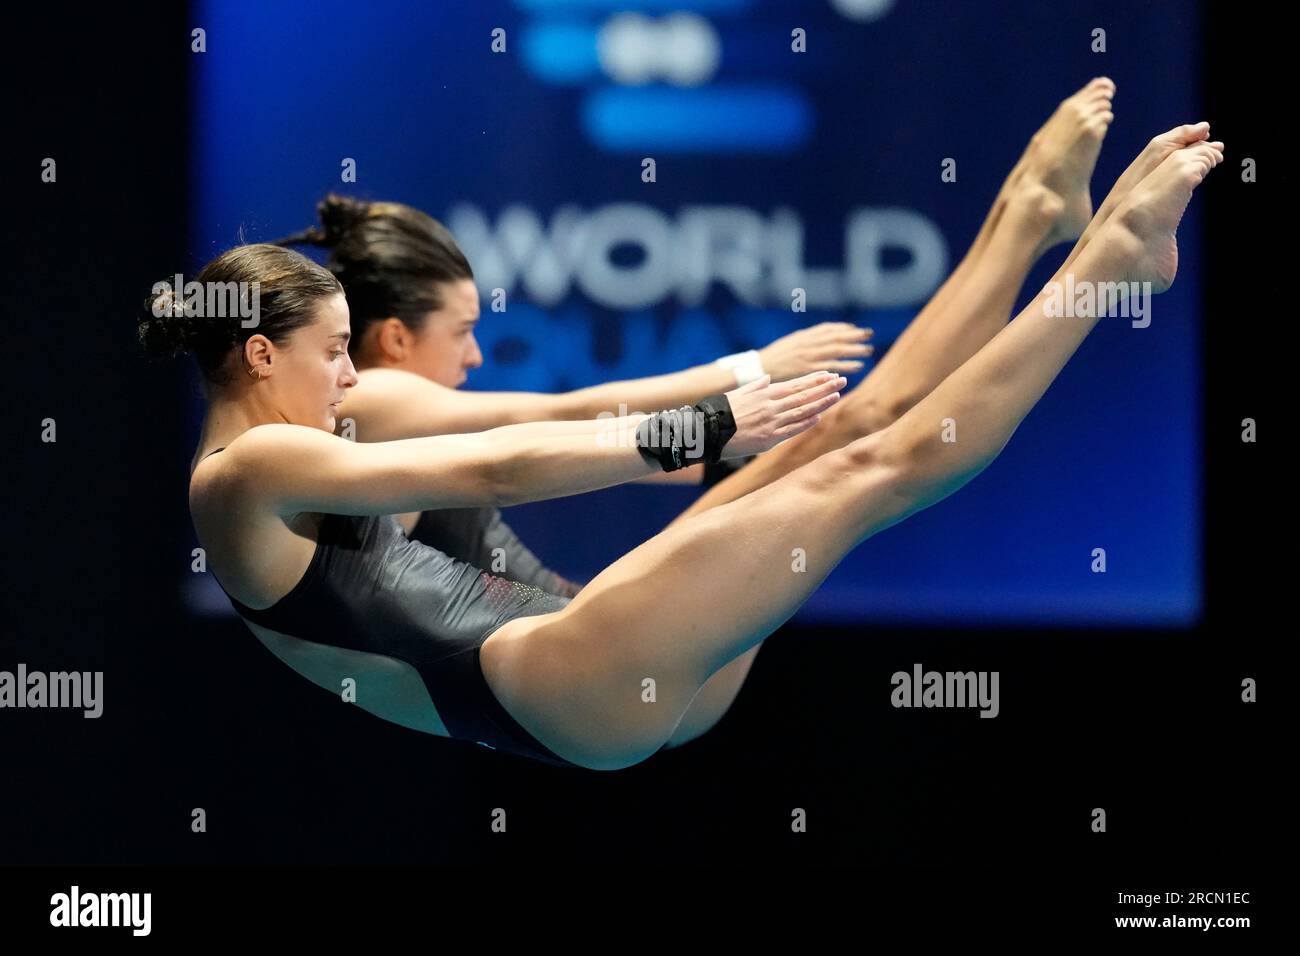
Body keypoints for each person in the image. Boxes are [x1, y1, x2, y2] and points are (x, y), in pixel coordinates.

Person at [148, 121, 1221, 770]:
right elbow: (502, 462)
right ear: (255, 354)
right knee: (866, 470)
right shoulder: (246, 472)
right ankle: (1108, 265)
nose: (349, 381)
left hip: (599, 660)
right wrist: (705, 417)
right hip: (578, 673)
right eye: (337, 355)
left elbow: (543, 429)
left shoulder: (294, 447)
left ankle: (1031, 216)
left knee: (848, 436)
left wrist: (725, 401)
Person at [271, 201, 874, 597]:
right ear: (397, 338)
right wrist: (748, 369)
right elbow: (562, 413)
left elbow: (603, 444)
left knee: (834, 452)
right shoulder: (374, 399)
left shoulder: (400, 423)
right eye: (462, 332)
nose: (475, 356)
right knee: (870, 442)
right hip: (572, 666)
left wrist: (751, 456)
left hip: (568, 644)